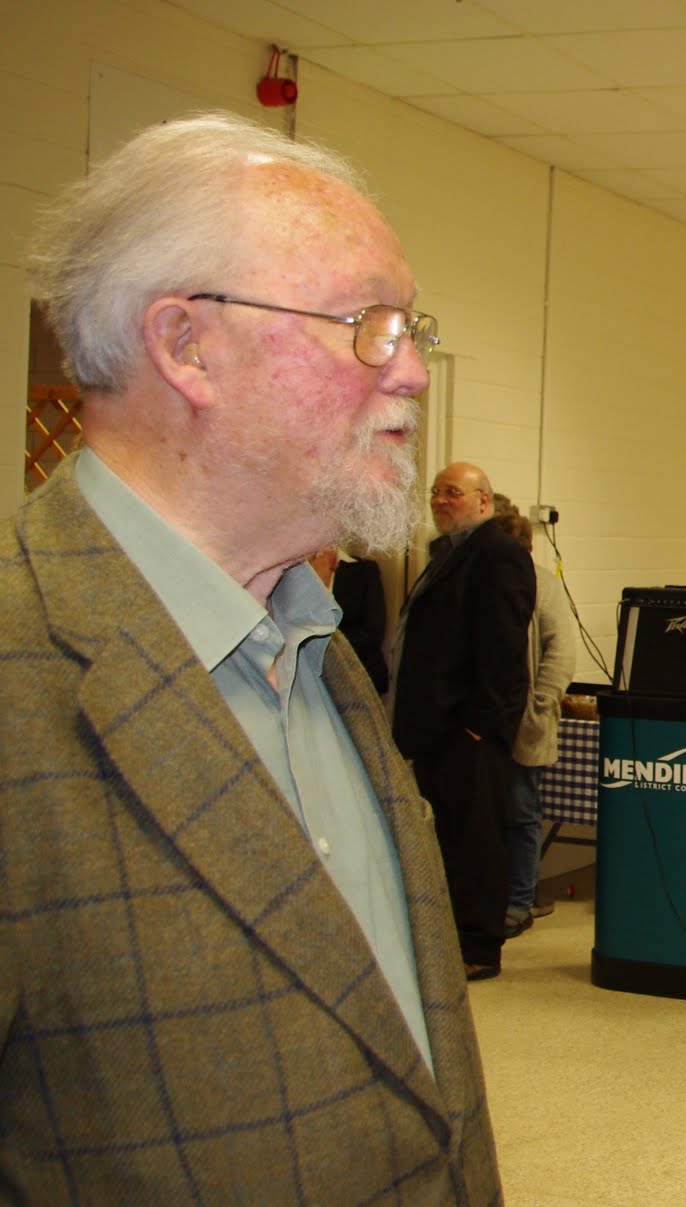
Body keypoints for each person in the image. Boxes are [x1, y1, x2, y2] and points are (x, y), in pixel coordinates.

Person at [2, 112, 499, 1201]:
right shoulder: (23, 668)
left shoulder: (314, 643)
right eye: (370, 324)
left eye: (411, 326)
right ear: (186, 347)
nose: (412, 371)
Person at [392, 462, 535, 981]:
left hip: (470, 733)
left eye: (453, 492)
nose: (440, 500)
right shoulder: (443, 554)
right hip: (436, 729)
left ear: (483, 501)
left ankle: (477, 948)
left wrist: (481, 726)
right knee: (446, 840)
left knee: (475, 841)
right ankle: (447, 939)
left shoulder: (498, 555)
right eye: (435, 492)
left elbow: (503, 649)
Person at [492, 500, 579, 936]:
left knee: (522, 813)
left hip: (524, 722)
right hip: (486, 722)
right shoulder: (478, 583)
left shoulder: (544, 586)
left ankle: (519, 901)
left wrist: (540, 706)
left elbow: (562, 653)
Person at [310, 544, 391, 693]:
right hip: (314, 681)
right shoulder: (296, 576)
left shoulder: (364, 571)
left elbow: (373, 633)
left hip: (359, 676)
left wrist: (323, 641)